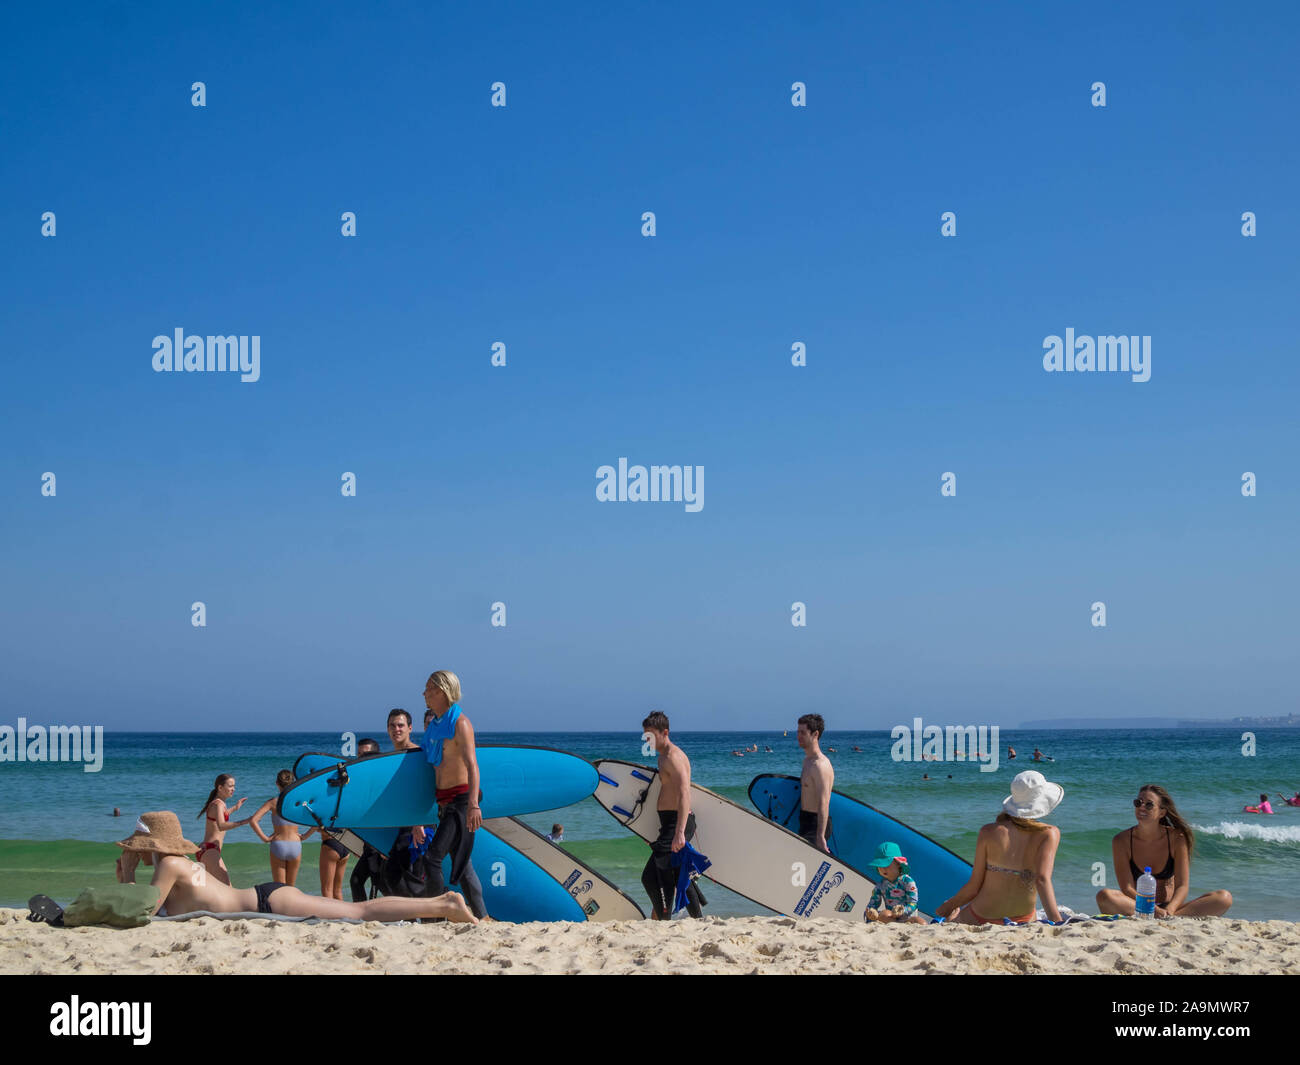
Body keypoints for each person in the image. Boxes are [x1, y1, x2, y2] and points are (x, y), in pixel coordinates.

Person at [115, 811, 476, 923]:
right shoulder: (178, 865)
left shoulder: (170, 867)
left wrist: (127, 876)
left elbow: (139, 916)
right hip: (265, 896)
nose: (133, 853)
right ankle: (442, 905)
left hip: (266, 903)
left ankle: (442, 905)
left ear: (149, 847)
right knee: (356, 910)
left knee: (359, 910)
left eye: (136, 848)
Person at [407, 679, 492, 920]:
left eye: (429, 689)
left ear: (443, 692)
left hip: (462, 800)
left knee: (432, 858)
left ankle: (434, 918)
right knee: (462, 865)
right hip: (444, 803)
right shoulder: (434, 727)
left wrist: (474, 804)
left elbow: (472, 765)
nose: (424, 693)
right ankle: (482, 917)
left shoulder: (460, 723)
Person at [935, 770, 1064, 925]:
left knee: (951, 918)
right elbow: (1042, 880)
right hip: (1023, 917)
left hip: (982, 915)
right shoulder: (1049, 833)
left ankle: (950, 919)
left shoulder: (988, 831)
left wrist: (947, 907)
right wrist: (1057, 921)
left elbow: (974, 886)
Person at [1096, 785, 1232, 918]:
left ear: (1162, 812)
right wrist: (1153, 909)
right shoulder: (1121, 840)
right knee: (1105, 896)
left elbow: (1182, 886)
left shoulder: (1176, 839)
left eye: (1149, 805)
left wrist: (1170, 910)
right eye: (1138, 803)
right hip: (1138, 906)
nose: (1141, 807)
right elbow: (1127, 888)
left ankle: (1171, 917)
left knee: (1223, 898)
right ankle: (1166, 917)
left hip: (1170, 907)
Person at [640, 710, 704, 919]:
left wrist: (679, 833)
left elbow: (685, 793)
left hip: (677, 822)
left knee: (651, 877)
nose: (647, 739)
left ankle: (664, 919)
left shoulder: (673, 757)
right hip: (669, 822)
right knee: (678, 875)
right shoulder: (663, 757)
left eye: (651, 734)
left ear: (664, 732)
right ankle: (697, 919)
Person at [248, 770, 316, 887]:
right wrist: (305, 836)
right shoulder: (299, 802)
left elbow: (253, 820)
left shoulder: (273, 802)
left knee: (279, 889)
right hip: (295, 844)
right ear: (293, 783)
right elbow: (317, 820)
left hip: (279, 844)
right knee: (291, 888)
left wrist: (264, 838)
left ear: (276, 783)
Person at [195, 774, 253, 884]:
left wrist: (235, 808)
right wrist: (245, 821)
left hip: (207, 850)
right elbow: (221, 826)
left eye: (234, 786)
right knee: (227, 888)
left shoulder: (218, 803)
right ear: (220, 788)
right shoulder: (218, 805)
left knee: (213, 891)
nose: (233, 789)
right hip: (210, 850)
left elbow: (221, 816)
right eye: (230, 786)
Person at [796, 713, 832, 853]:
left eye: (803, 732)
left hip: (816, 825)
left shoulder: (821, 765)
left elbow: (824, 802)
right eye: (798, 732)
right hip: (804, 820)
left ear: (815, 734)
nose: (798, 736)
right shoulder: (807, 761)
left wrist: (820, 836)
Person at [865, 843, 926, 924]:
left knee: (920, 922)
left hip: (908, 918)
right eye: (880, 866)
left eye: (886, 865)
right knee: (885, 914)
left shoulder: (907, 881)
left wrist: (903, 910)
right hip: (891, 918)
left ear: (898, 864)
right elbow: (873, 904)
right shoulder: (880, 885)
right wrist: (871, 912)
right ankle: (894, 925)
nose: (883, 869)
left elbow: (913, 903)